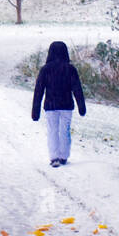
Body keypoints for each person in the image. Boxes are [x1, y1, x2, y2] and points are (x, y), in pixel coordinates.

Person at [31, 40, 86, 168]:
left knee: (52, 131)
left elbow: (38, 90)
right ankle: (64, 156)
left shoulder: (45, 69)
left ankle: (54, 157)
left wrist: (35, 111)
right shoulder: (70, 69)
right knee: (64, 131)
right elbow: (77, 89)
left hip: (51, 105)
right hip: (66, 104)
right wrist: (81, 107)